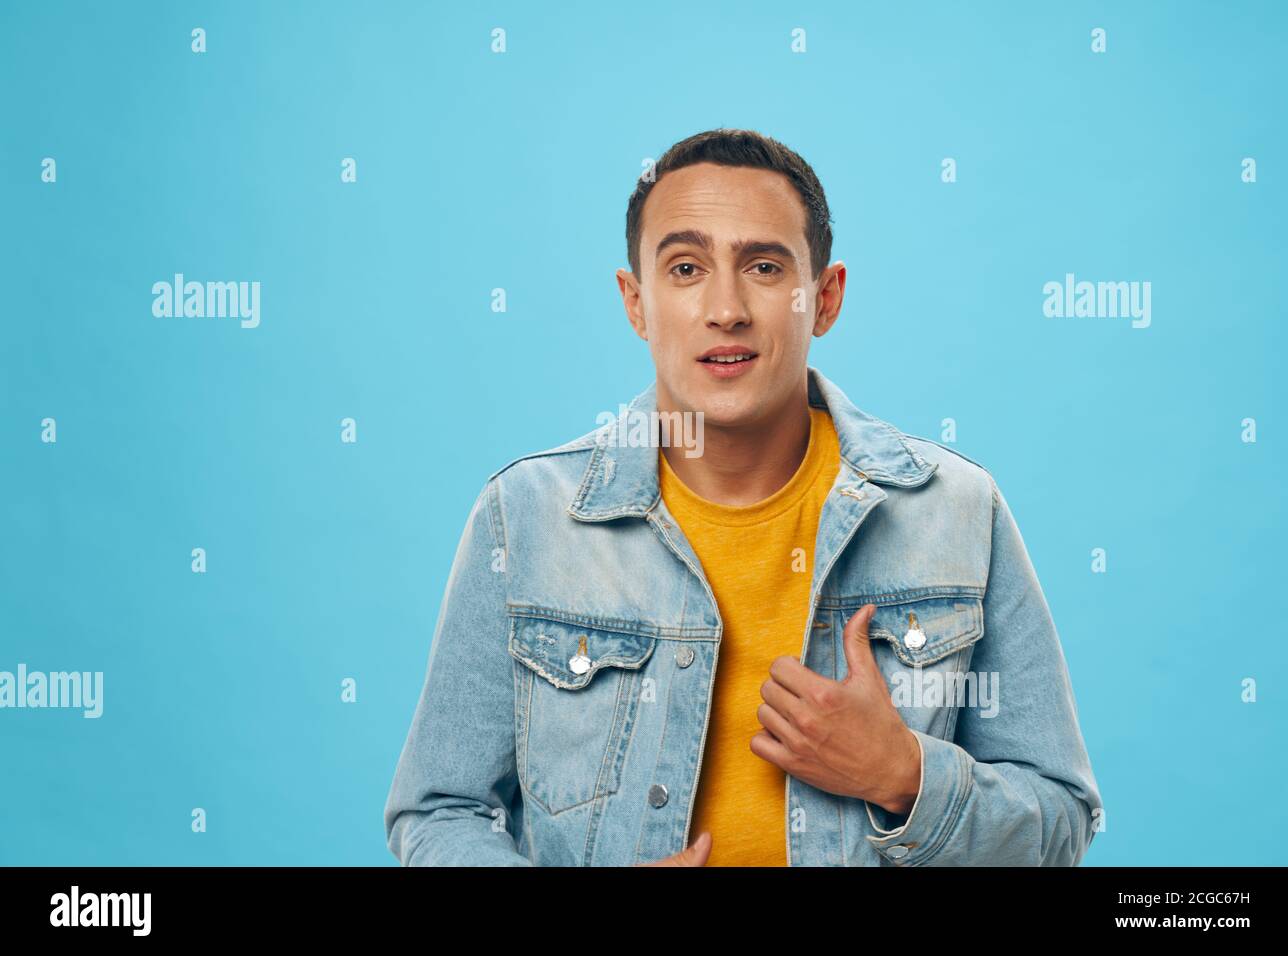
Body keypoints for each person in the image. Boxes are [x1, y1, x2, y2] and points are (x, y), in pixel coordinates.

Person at [383, 128, 1102, 866]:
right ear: (636, 302)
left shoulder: (953, 510)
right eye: (686, 267)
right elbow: (439, 813)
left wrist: (905, 776)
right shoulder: (526, 516)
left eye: (763, 266)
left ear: (824, 299)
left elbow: (1060, 821)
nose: (725, 308)